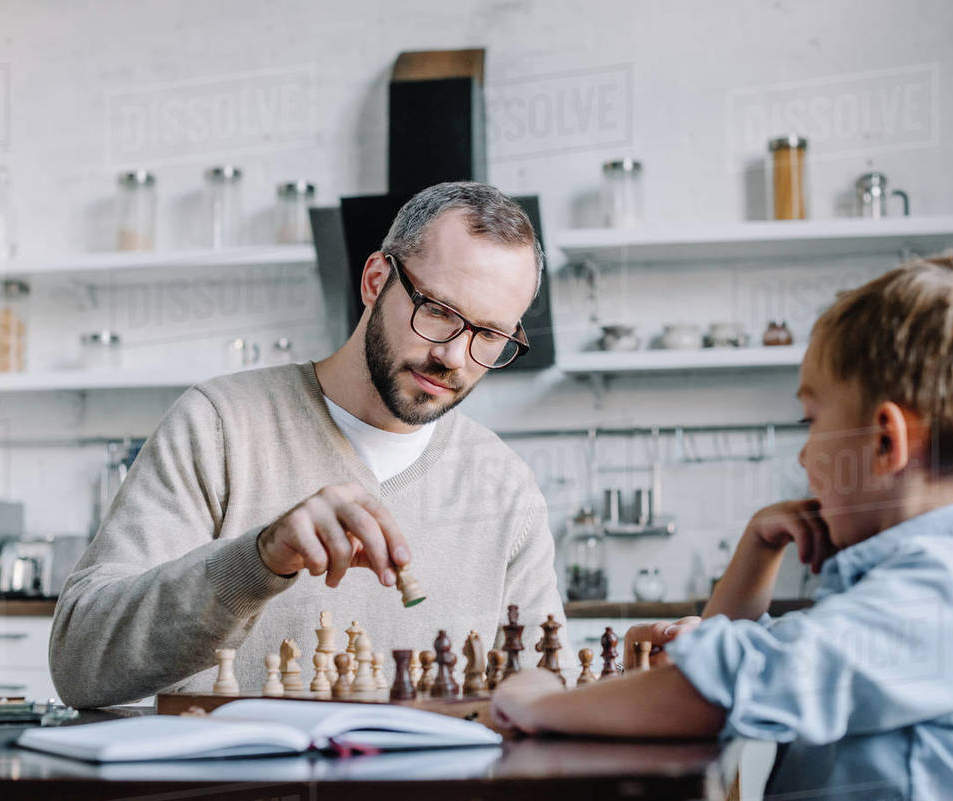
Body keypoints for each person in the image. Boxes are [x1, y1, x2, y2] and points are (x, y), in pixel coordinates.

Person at [492, 255, 953, 801]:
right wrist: (758, 549)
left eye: (810, 421)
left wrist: (537, 703)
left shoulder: (943, 593)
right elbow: (732, 668)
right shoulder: (903, 581)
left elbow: (712, 693)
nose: (802, 457)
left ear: (886, 442)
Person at [51, 182, 570, 707]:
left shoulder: (505, 485)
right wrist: (256, 563)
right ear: (375, 281)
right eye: (438, 311)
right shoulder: (218, 426)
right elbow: (79, 665)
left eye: (489, 336)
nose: (456, 357)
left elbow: (548, 693)